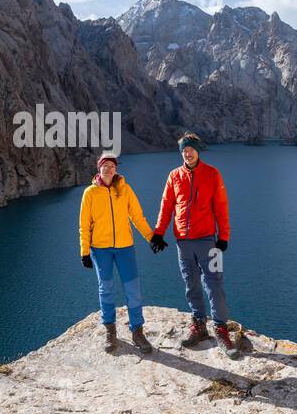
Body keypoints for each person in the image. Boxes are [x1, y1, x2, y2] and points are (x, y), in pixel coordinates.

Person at [148, 132, 237, 358]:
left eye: (191, 149)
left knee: (215, 283)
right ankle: (199, 323)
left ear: (198, 150)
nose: (187, 153)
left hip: (208, 239)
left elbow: (221, 207)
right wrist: (158, 233)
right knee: (191, 283)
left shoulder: (212, 174)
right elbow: (166, 206)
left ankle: (220, 328)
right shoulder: (174, 176)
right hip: (183, 242)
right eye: (184, 150)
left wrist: (223, 236)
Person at [79, 153, 159, 354]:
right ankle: (110, 331)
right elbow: (84, 225)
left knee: (133, 290)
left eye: (112, 166)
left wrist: (151, 238)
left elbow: (137, 216)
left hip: (125, 248)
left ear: (116, 170)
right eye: (105, 165)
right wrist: (84, 251)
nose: (108, 169)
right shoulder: (90, 193)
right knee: (105, 288)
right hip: (100, 249)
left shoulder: (125, 189)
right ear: (99, 168)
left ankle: (137, 331)